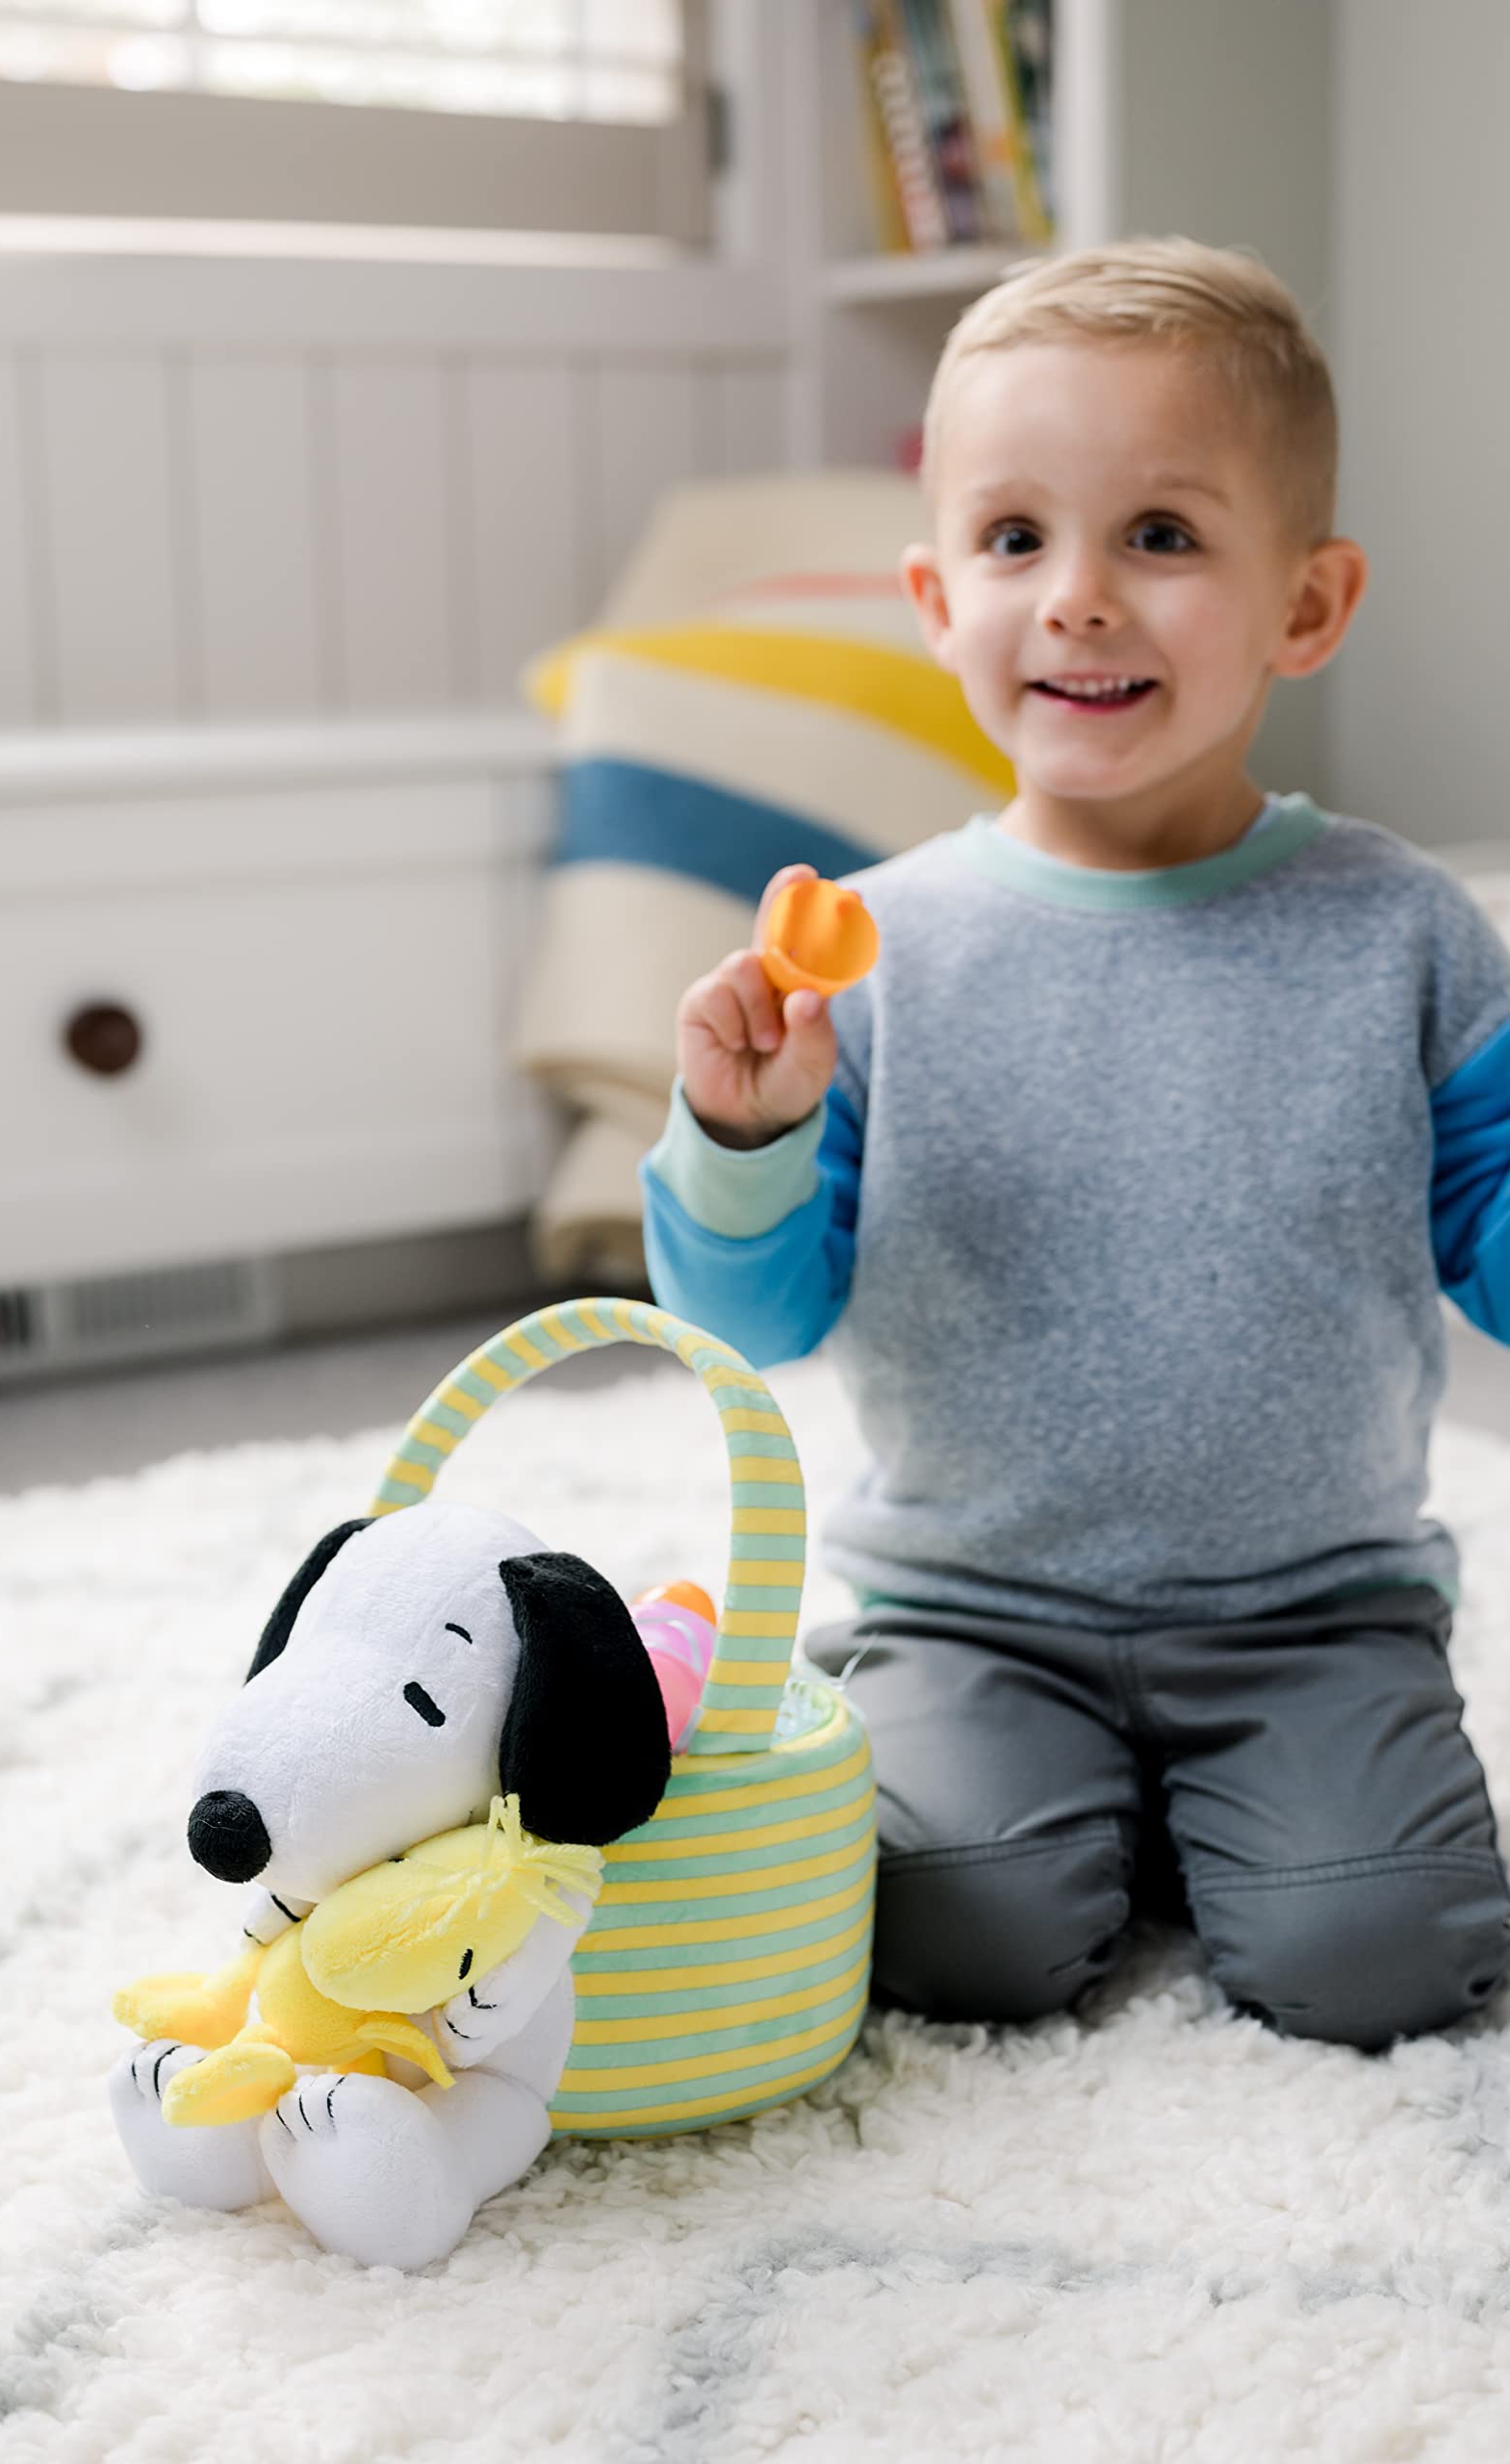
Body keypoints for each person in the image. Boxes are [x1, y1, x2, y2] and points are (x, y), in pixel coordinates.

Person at [638, 236, 1510, 2052]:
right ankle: (1011, 1772)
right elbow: (758, 1317)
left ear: (1310, 603)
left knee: (1388, 1962)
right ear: (936, 597)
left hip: (1314, 1611)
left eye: (1164, 538)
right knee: (959, 1945)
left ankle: (1260, 1820)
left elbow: (1492, 1242)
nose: (1082, 600)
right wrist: (747, 1133)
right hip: (975, 1606)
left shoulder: (1402, 931)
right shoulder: (879, 950)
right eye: (1017, 539)